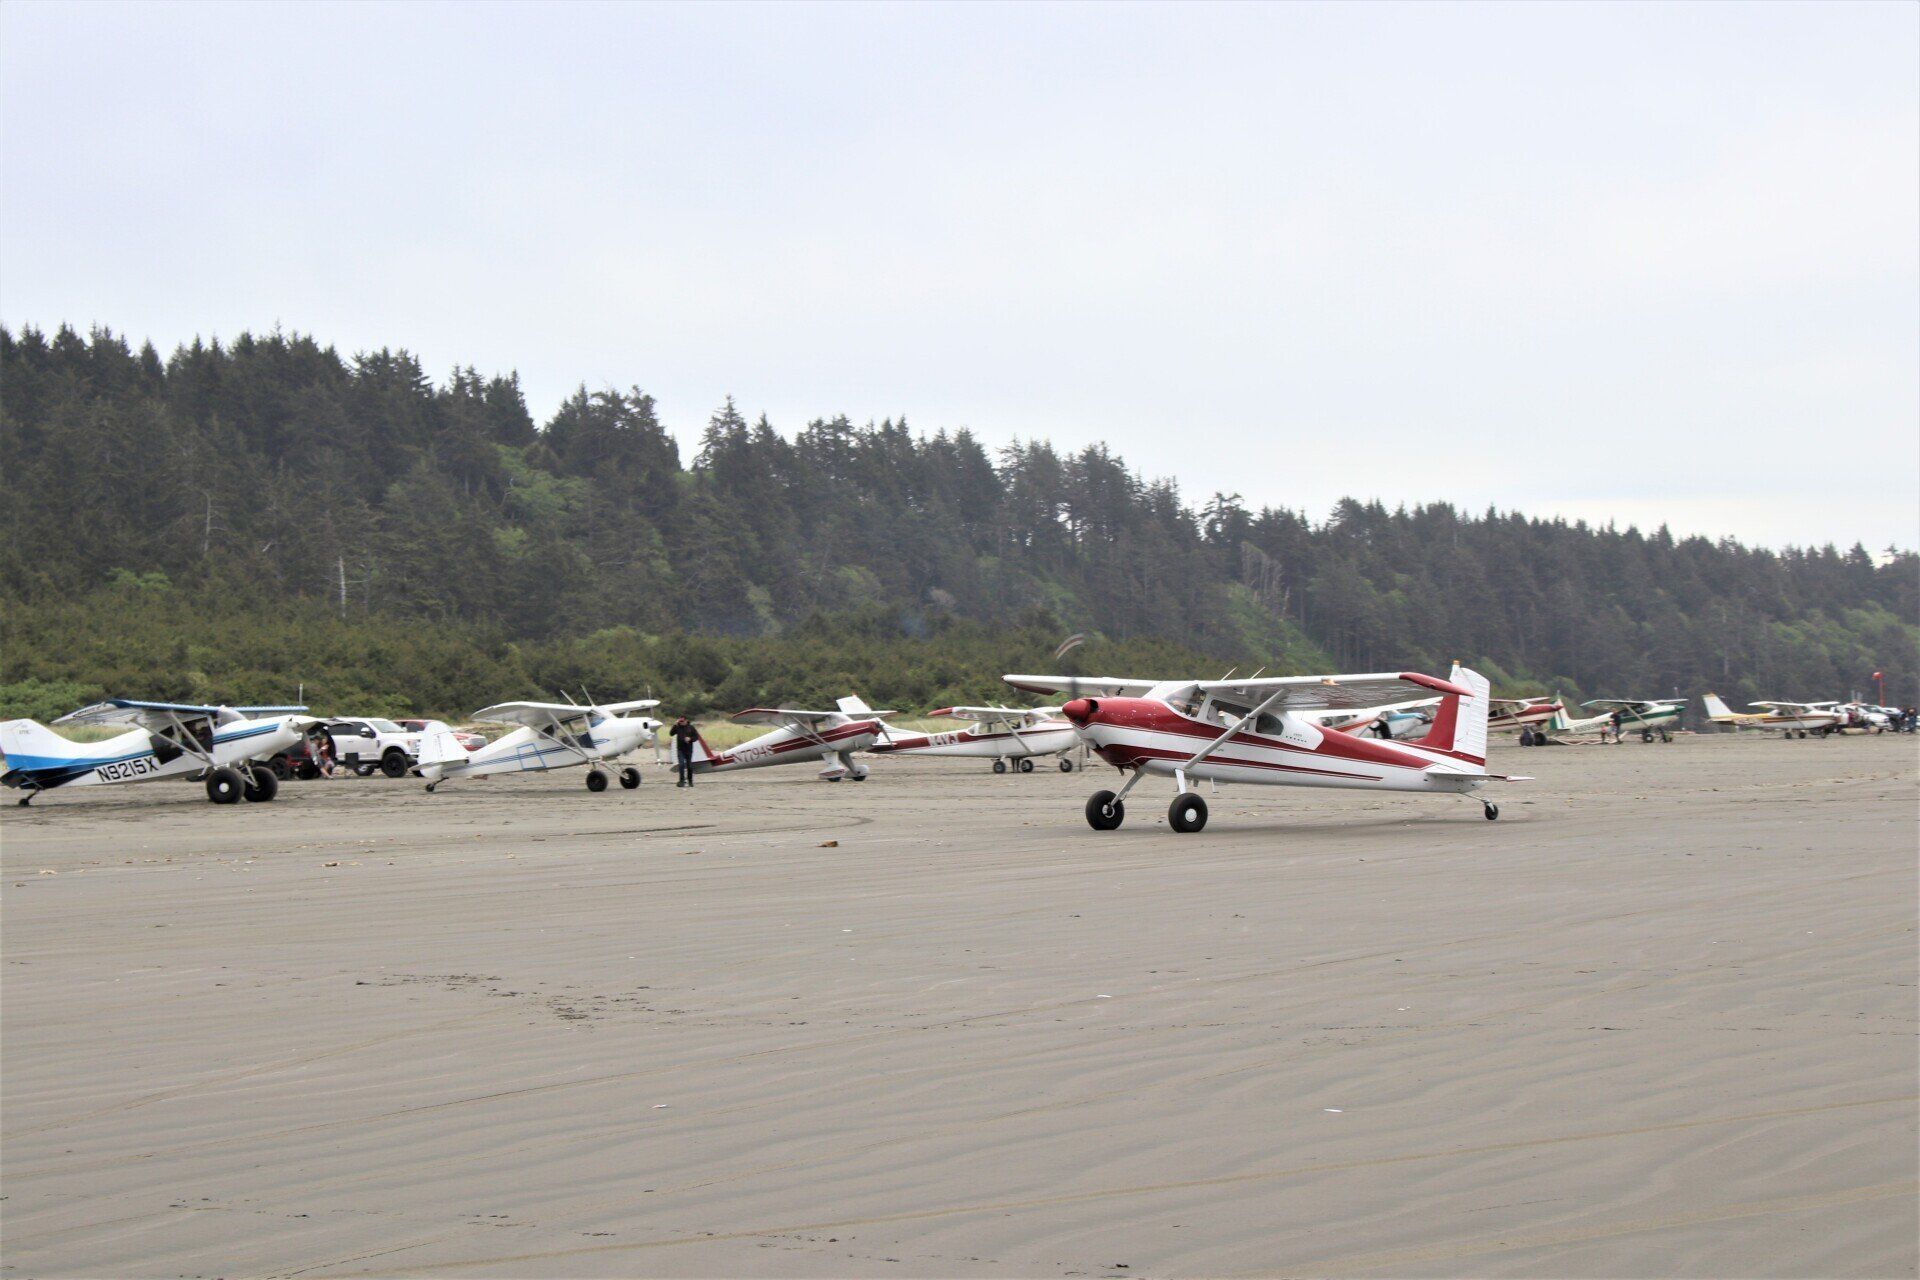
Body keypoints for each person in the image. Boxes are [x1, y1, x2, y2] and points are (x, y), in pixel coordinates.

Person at [669, 716, 699, 787]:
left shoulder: (691, 727)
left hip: (688, 750)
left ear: (686, 721)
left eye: (682, 721)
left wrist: (690, 739)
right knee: (681, 765)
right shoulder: (677, 727)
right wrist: (675, 725)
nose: (681, 723)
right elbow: (671, 733)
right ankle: (681, 781)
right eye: (680, 721)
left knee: (689, 766)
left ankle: (690, 781)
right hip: (680, 749)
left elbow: (696, 737)